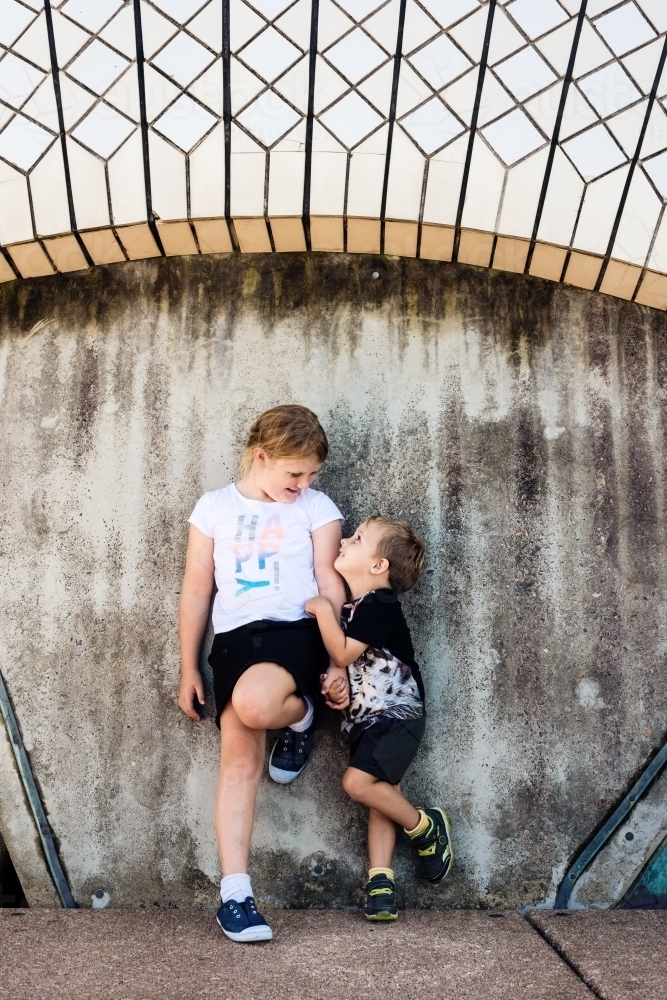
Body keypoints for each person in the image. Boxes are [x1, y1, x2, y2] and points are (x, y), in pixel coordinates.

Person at [178, 405, 345, 942]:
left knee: (253, 706)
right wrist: (188, 666)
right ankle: (235, 896)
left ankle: (301, 713)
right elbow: (198, 587)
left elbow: (328, 578)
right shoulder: (213, 508)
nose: (304, 484)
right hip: (231, 641)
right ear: (261, 456)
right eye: (294, 473)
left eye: (312, 475)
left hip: (295, 633)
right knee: (239, 763)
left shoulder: (316, 509)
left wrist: (338, 658)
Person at [305, 516, 453, 922]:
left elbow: (344, 654)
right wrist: (336, 690)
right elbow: (349, 670)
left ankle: (425, 827)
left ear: (378, 567)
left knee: (357, 783)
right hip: (367, 719)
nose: (345, 541)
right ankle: (381, 881)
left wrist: (321, 611)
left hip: (397, 716)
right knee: (382, 794)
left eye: (356, 539)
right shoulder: (354, 609)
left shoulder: (380, 602)